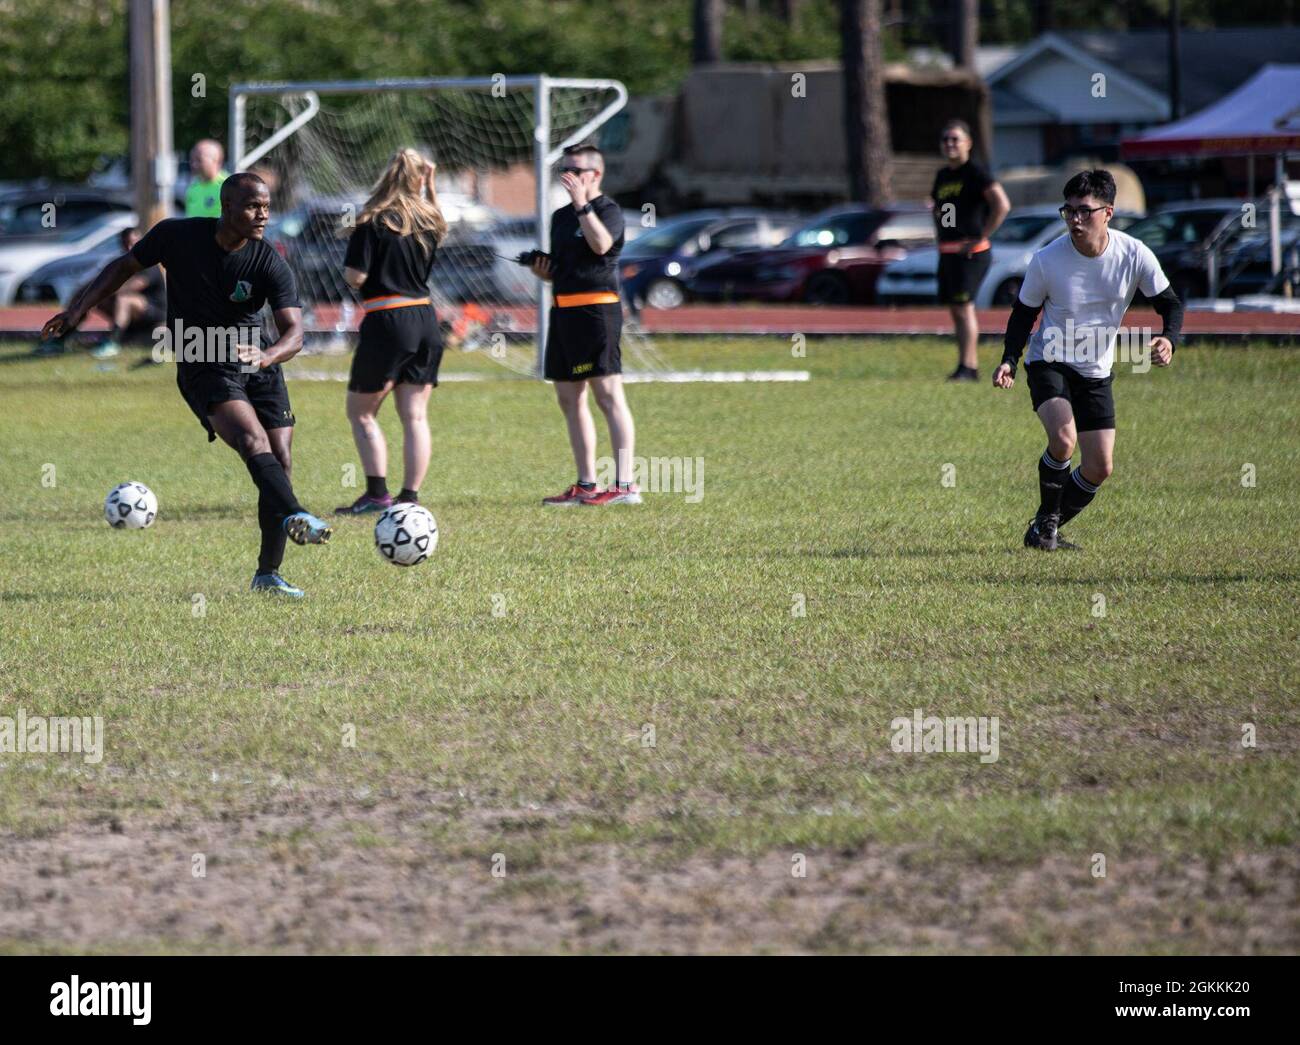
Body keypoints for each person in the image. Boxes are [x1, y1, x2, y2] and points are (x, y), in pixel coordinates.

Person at [40, 172, 332, 596]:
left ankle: (267, 574)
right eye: (253, 206)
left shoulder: (268, 260)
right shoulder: (176, 237)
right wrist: (78, 311)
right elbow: (122, 267)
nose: (263, 214)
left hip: (259, 361)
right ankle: (297, 514)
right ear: (227, 206)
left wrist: (268, 355)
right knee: (253, 442)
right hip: (202, 360)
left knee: (281, 460)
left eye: (267, 207)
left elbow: (295, 334)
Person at [994, 169, 1184, 550]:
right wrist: (1010, 360)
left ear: (1108, 212)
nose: (1075, 220)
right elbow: (1022, 314)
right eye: (1068, 212)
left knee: (1099, 467)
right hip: (1050, 360)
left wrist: (1169, 339)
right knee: (1063, 440)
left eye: (1084, 211)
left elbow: (1170, 303)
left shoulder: (1134, 254)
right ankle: (1047, 528)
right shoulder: (1047, 260)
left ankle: (1044, 527)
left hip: (1095, 369)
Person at [336, 148, 447, 514]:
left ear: (386, 177)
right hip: (426, 320)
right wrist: (430, 186)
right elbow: (436, 217)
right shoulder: (429, 222)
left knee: (361, 412)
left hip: (388, 320)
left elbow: (356, 277)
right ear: (419, 179)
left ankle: (376, 494)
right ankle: (409, 498)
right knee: (415, 415)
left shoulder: (372, 221)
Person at [532, 143, 640, 506]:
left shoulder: (607, 211)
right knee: (569, 398)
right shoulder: (560, 217)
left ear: (595, 175)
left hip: (598, 313)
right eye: (565, 169)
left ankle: (625, 485)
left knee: (608, 396)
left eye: (576, 171)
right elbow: (568, 267)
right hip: (563, 312)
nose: (568, 176)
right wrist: (543, 270)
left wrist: (583, 204)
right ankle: (586, 483)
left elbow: (601, 245)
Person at [930, 119, 1011, 382]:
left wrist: (981, 235)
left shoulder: (975, 172)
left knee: (964, 307)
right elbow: (939, 207)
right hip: (948, 251)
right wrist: (942, 229)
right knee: (955, 308)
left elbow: (1002, 204)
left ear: (968, 143)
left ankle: (969, 366)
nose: (950, 144)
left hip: (971, 252)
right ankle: (964, 365)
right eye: (946, 139)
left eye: (955, 139)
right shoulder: (943, 175)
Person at [86, 227, 167, 359]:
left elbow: (134, 286)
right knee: (98, 299)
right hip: (137, 311)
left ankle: (113, 342)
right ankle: (62, 337)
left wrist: (104, 289)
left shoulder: (149, 262)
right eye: (126, 243)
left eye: (134, 242)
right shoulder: (122, 263)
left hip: (156, 312)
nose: (130, 247)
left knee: (124, 299)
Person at [185, 140, 228, 218]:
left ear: (215, 160)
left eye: (199, 160)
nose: (194, 164)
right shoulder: (193, 187)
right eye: (192, 159)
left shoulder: (228, 186)